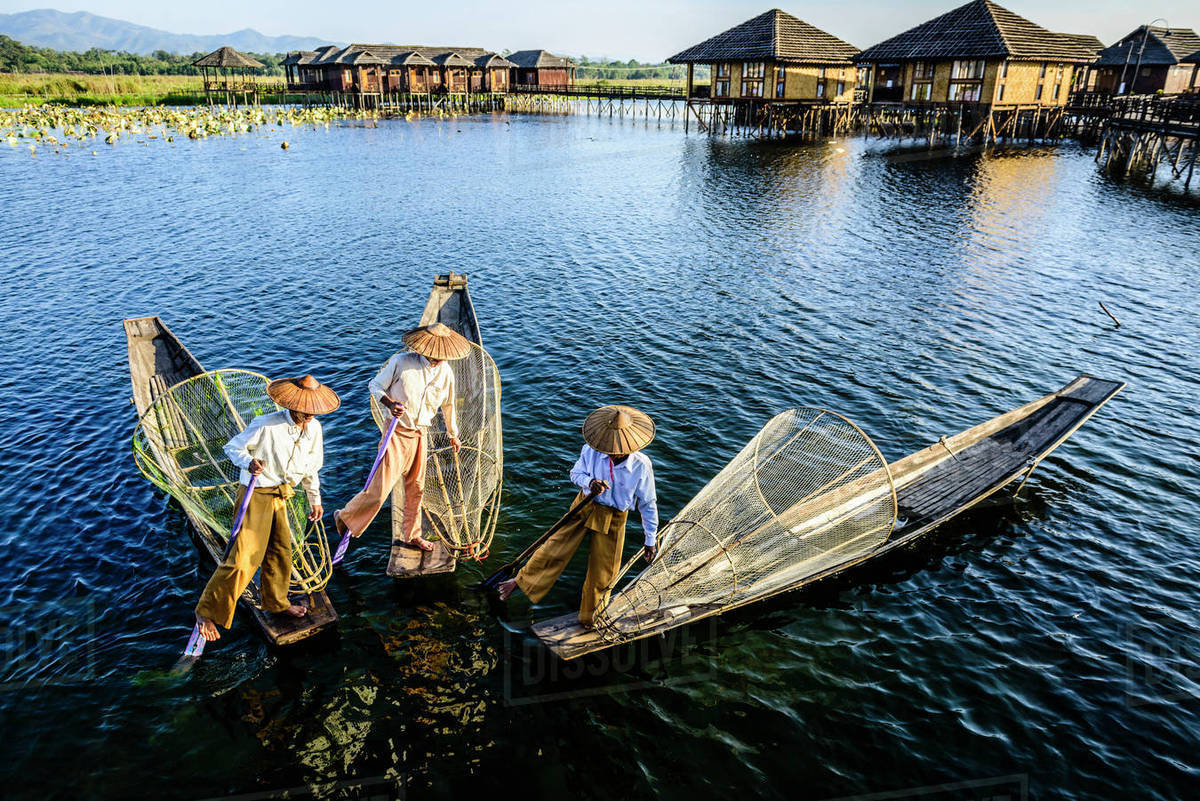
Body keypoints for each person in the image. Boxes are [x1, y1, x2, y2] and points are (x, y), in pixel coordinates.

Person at [195, 374, 340, 642]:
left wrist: (315, 498)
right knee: (243, 558)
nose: (308, 416)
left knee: (281, 552)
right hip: (257, 494)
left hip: (283, 495)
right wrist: (248, 462)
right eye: (304, 411)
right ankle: (206, 610)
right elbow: (232, 447)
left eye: (312, 412)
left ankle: (276, 602)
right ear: (292, 405)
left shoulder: (315, 429)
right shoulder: (266, 424)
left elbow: (311, 467)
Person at [498, 405, 659, 628]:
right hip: (585, 504)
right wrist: (589, 483)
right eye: (610, 447)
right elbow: (575, 474)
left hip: (614, 517)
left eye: (618, 449)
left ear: (629, 447)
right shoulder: (591, 451)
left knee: (605, 571)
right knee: (555, 546)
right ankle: (519, 581)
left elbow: (648, 504)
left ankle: (590, 618)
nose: (612, 452)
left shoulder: (642, 466)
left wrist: (650, 539)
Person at [335, 322, 467, 551]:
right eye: (434, 355)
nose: (438, 358)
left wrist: (452, 434)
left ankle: (412, 535)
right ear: (424, 349)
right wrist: (390, 403)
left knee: (417, 487)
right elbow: (375, 386)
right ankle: (345, 516)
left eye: (441, 355)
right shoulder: (401, 363)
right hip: (396, 432)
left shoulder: (446, 372)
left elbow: (448, 405)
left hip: (420, 433)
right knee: (380, 490)